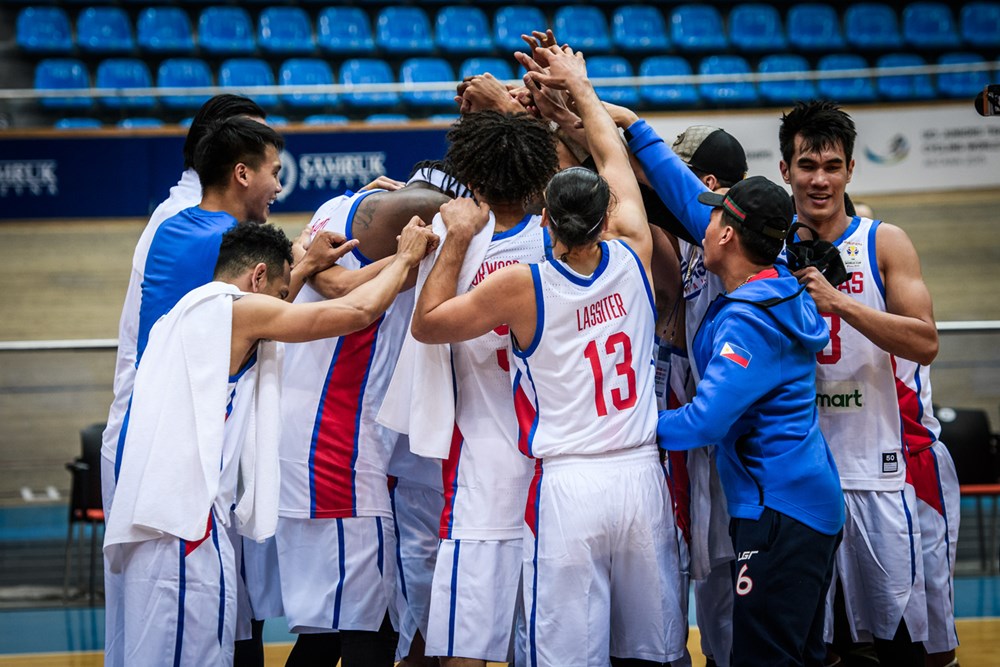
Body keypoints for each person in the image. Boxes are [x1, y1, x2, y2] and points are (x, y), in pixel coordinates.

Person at [414, 44, 686, 667]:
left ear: (546, 221)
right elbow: (615, 157)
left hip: (568, 481)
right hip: (642, 473)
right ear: (605, 215)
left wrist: (455, 239)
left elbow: (428, 324)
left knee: (566, 654)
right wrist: (581, 90)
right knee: (654, 651)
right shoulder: (633, 251)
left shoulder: (523, 284)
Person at [104, 220, 438, 666]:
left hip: (156, 528)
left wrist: (304, 268)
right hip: (185, 531)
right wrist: (406, 258)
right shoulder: (235, 310)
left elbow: (267, 309)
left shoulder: (186, 313)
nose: (287, 303)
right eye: (283, 294)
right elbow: (355, 313)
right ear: (257, 277)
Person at [654, 175, 845, 666]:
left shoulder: (748, 319)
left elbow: (704, 422)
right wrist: (634, 129)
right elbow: (687, 197)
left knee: (762, 658)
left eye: (716, 215)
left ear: (728, 235)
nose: (706, 222)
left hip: (778, 513)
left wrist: (633, 428)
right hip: (801, 502)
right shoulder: (780, 283)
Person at [275, 169, 454, 667]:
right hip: (336, 447)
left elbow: (332, 277)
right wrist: (409, 255)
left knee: (327, 633)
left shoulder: (332, 210)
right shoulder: (408, 254)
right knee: (367, 627)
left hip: (316, 444)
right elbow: (352, 296)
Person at [779, 100, 934, 664]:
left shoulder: (884, 241)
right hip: (799, 478)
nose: (819, 179)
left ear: (850, 170)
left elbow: (925, 343)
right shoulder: (765, 250)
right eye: (806, 165)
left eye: (832, 165)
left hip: (876, 471)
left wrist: (839, 303)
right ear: (784, 170)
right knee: (820, 648)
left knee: (897, 646)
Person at [406, 110, 558, 667]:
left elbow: (424, 323)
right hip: (551, 470)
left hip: (480, 475)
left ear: (471, 176)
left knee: (465, 652)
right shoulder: (557, 246)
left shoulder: (456, 243)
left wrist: (453, 230)